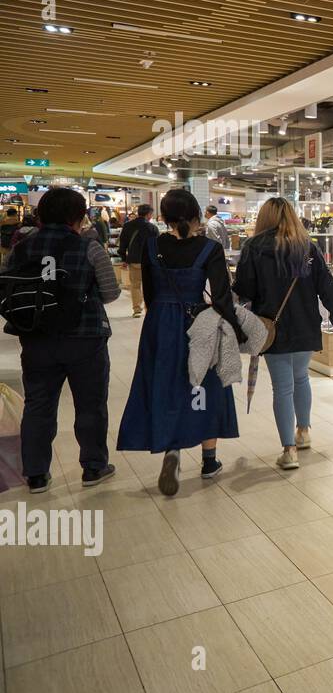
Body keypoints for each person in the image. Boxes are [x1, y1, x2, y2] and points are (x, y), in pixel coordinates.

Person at [117, 188, 245, 496]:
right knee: (205, 386)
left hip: (160, 322)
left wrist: (159, 315)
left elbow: (148, 293)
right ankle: (209, 461)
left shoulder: (152, 247)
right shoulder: (209, 249)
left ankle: (171, 450)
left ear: (163, 217)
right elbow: (221, 297)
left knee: (166, 384)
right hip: (199, 323)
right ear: (197, 216)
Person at [1, 187, 121, 493]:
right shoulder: (88, 248)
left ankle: (37, 474)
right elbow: (111, 292)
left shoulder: (22, 247)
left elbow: (7, 288)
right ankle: (93, 467)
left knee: (38, 404)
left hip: (37, 338)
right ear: (79, 217)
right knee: (90, 405)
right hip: (85, 337)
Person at [234, 197, 333, 470]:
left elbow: (244, 290)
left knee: (282, 388)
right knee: (302, 379)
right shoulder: (307, 247)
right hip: (306, 325)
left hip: (272, 329)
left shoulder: (253, 248)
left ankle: (289, 449)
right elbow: (327, 288)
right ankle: (304, 431)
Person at [118, 203, 158, 318]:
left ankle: (137, 310)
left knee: (135, 285)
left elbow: (123, 244)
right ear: (149, 214)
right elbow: (156, 246)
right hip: (149, 261)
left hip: (134, 260)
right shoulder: (152, 228)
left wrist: (124, 259)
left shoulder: (127, 226)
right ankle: (148, 308)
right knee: (148, 285)